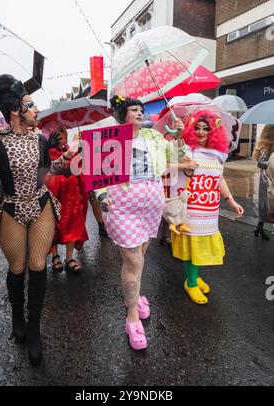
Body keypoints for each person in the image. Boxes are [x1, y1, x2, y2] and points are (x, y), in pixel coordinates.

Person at [0, 74, 78, 366]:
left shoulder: (40, 138)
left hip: (40, 204)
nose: (36, 110)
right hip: (11, 209)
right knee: (17, 268)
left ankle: (34, 329)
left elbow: (46, 173)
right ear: (17, 109)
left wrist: (67, 157)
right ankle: (17, 316)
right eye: (31, 105)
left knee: (37, 265)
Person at [96, 96, 196, 350]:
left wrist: (181, 137)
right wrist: (102, 197)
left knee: (140, 255)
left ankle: (135, 294)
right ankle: (131, 318)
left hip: (152, 202)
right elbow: (98, 173)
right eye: (134, 110)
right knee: (133, 260)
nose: (140, 113)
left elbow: (175, 156)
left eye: (141, 110)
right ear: (122, 114)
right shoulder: (111, 137)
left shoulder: (153, 137)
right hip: (123, 204)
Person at [170, 110, 244, 304]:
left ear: (214, 131)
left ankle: (194, 276)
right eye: (197, 128)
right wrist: (179, 139)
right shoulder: (185, 150)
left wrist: (231, 201)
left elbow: (219, 179)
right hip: (191, 208)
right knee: (192, 244)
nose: (201, 132)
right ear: (191, 129)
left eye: (206, 128)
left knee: (200, 244)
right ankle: (192, 282)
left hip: (210, 208)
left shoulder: (218, 154)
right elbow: (169, 163)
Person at [46, 126, 88, 272]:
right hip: (55, 196)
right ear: (54, 136)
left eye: (65, 133)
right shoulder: (48, 153)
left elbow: (79, 167)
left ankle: (70, 257)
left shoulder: (70, 148)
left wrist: (80, 148)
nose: (65, 135)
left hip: (72, 196)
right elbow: (55, 170)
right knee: (53, 226)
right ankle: (55, 255)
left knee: (73, 225)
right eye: (61, 133)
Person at [252, 125, 274, 240]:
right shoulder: (265, 148)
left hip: (269, 178)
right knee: (265, 203)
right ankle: (260, 226)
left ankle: (259, 227)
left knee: (265, 203)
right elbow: (260, 163)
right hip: (267, 179)